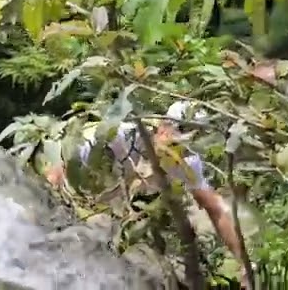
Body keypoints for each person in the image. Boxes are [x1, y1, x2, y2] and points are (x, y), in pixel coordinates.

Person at [45, 101, 249, 286]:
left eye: (187, 144)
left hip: (111, 213)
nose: (180, 149)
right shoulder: (118, 136)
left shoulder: (185, 162)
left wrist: (244, 264)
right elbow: (58, 169)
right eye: (176, 140)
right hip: (71, 196)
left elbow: (216, 209)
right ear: (162, 128)